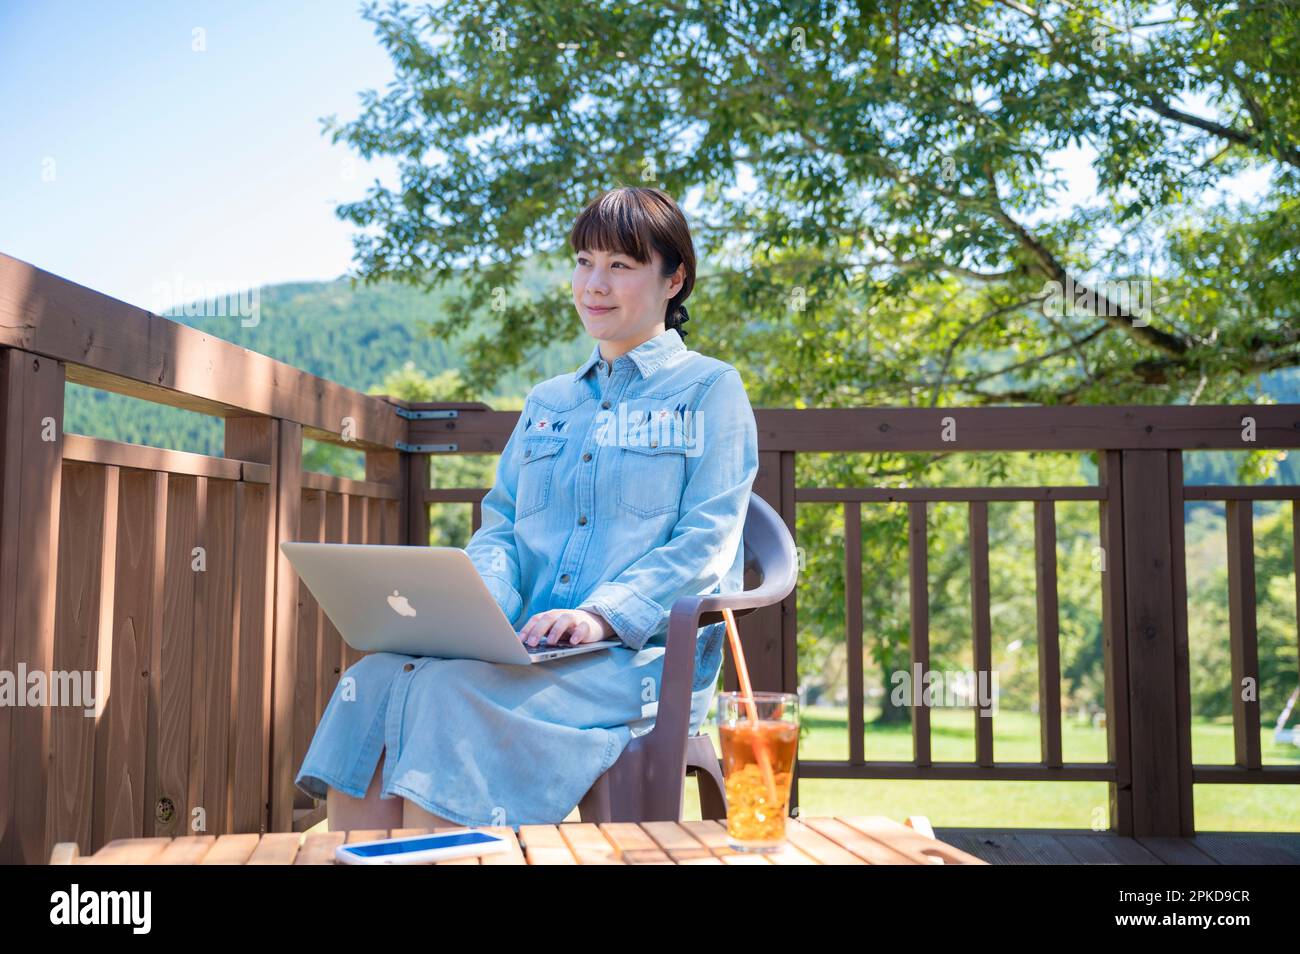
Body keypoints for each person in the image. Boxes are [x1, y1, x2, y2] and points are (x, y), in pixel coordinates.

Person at [293, 185, 760, 832]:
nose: (594, 284)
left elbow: (708, 542)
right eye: (584, 261)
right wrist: (477, 607)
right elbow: (503, 527)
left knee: (447, 695)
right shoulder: (550, 402)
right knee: (374, 679)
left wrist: (600, 617)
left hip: (633, 663)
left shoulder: (710, 390)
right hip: (521, 650)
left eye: (620, 266)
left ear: (674, 279)